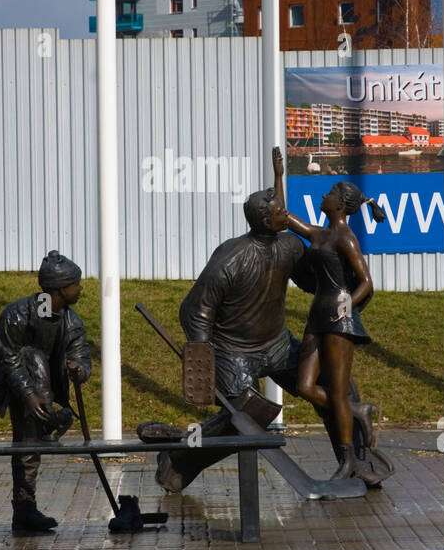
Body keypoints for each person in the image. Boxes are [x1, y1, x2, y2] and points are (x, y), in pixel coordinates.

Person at [155, 147, 386, 492]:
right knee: (247, 415)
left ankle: (356, 463)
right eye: (280, 210)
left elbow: (315, 279)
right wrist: (203, 360)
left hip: (278, 345)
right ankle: (178, 460)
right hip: (236, 352)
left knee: (337, 385)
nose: (286, 211)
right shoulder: (231, 258)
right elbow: (195, 309)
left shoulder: (289, 247)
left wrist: (348, 293)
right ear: (268, 221)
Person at [284, 180, 386, 483]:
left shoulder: (346, 238)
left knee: (338, 394)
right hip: (317, 317)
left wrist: (347, 305)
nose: (324, 196)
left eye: (329, 194)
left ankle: (348, 460)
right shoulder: (319, 233)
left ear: (340, 204)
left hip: (339, 322)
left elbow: (366, 281)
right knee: (303, 386)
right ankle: (358, 410)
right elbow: (285, 217)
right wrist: (279, 176)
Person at [0, 251, 90, 533]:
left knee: (29, 440)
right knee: (32, 359)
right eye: (77, 284)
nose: (81, 288)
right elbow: (9, 359)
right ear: (61, 288)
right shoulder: (16, 315)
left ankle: (25, 511)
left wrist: (78, 369)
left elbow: (82, 356)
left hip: (43, 387)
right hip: (12, 383)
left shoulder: (71, 321)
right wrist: (29, 395)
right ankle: (25, 509)